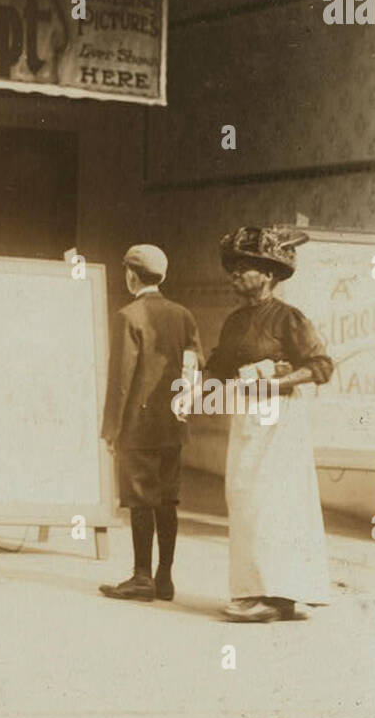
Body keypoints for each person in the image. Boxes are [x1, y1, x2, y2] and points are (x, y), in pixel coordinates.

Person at [206, 226, 333, 623]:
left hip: (280, 423)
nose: (235, 276)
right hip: (247, 420)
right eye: (234, 269)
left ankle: (277, 596)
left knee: (274, 505)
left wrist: (276, 381)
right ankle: (256, 589)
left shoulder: (288, 318)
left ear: (269, 275)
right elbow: (218, 369)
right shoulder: (234, 322)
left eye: (244, 269)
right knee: (245, 502)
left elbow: (320, 367)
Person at [100, 244, 203, 602]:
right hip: (174, 425)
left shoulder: (128, 316)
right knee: (167, 501)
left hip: (138, 427)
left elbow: (121, 379)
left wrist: (111, 429)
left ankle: (140, 577)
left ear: (131, 275)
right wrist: (181, 413)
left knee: (140, 500)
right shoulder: (184, 315)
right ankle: (164, 578)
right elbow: (193, 370)